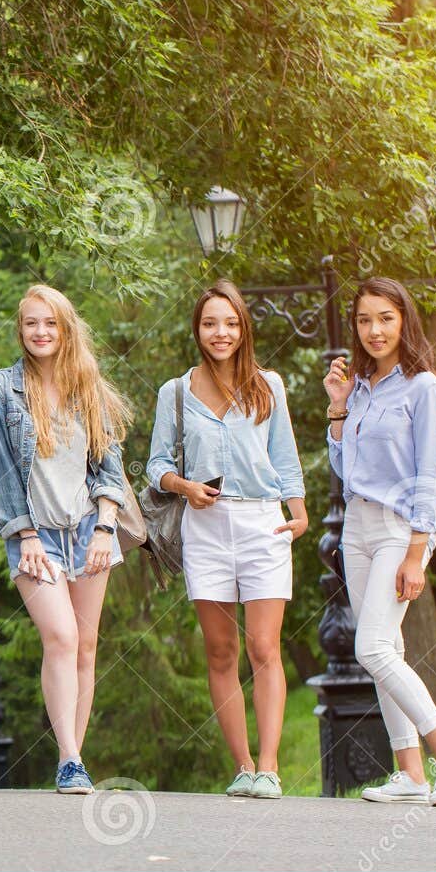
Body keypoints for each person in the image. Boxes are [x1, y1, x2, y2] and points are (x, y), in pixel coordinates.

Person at [146, 281, 306, 798]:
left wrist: (299, 513)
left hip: (263, 523)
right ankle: (241, 766)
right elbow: (156, 466)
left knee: (263, 646)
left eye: (231, 323)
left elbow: (284, 456)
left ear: (244, 328)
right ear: (197, 329)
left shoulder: (269, 386)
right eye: (211, 323)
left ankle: (270, 766)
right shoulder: (175, 392)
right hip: (205, 528)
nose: (222, 333)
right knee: (220, 651)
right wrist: (183, 486)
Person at [324, 276, 436, 806]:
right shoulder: (361, 391)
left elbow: (430, 478)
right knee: (388, 647)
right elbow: (345, 472)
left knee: (369, 647)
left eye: (385, 318)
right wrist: (338, 409)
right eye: (364, 320)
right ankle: (411, 776)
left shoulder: (424, 389)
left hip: (398, 530)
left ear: (403, 320)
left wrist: (417, 552)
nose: (374, 330)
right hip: (357, 527)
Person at [0, 284, 131, 794]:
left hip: (91, 530)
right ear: (20, 330)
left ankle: (75, 759)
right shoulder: (2, 390)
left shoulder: (87, 386)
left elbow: (109, 469)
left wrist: (107, 528)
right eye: (30, 324)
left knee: (86, 646)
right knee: (60, 637)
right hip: (35, 535)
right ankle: (68, 756)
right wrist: (24, 535)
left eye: (50, 323)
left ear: (65, 328)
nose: (40, 332)